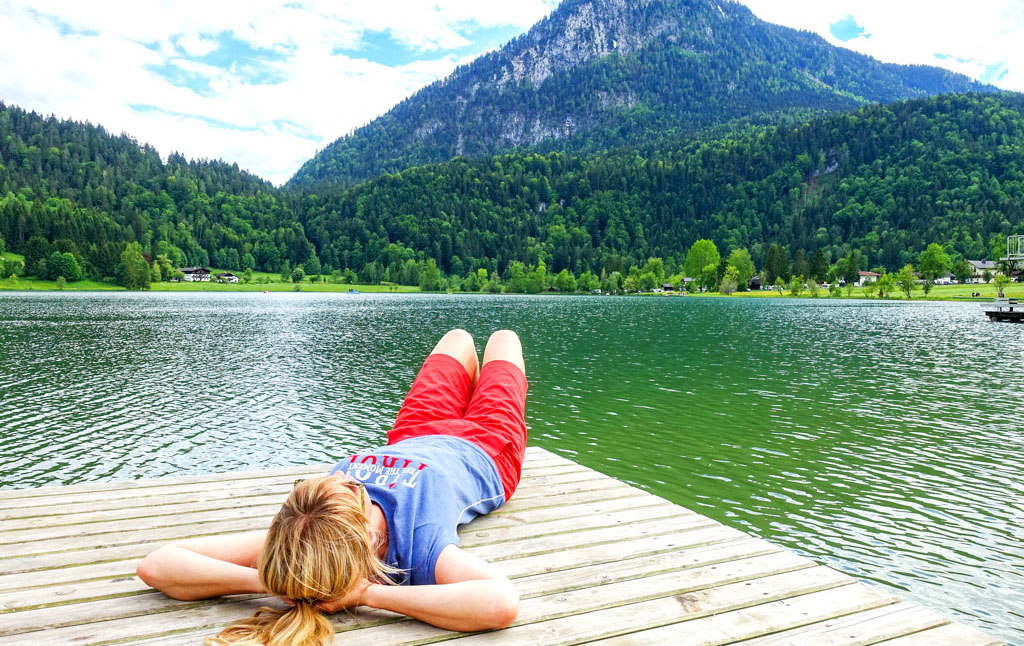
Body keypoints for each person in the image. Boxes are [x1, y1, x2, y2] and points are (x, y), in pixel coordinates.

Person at [137, 329, 529, 646]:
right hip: (486, 447)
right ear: (365, 534)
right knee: (504, 339)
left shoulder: (306, 535)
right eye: (350, 487)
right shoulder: (419, 541)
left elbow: (155, 563)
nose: (346, 477)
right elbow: (500, 603)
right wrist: (364, 594)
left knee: (457, 337)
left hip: (411, 433)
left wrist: (286, 582)